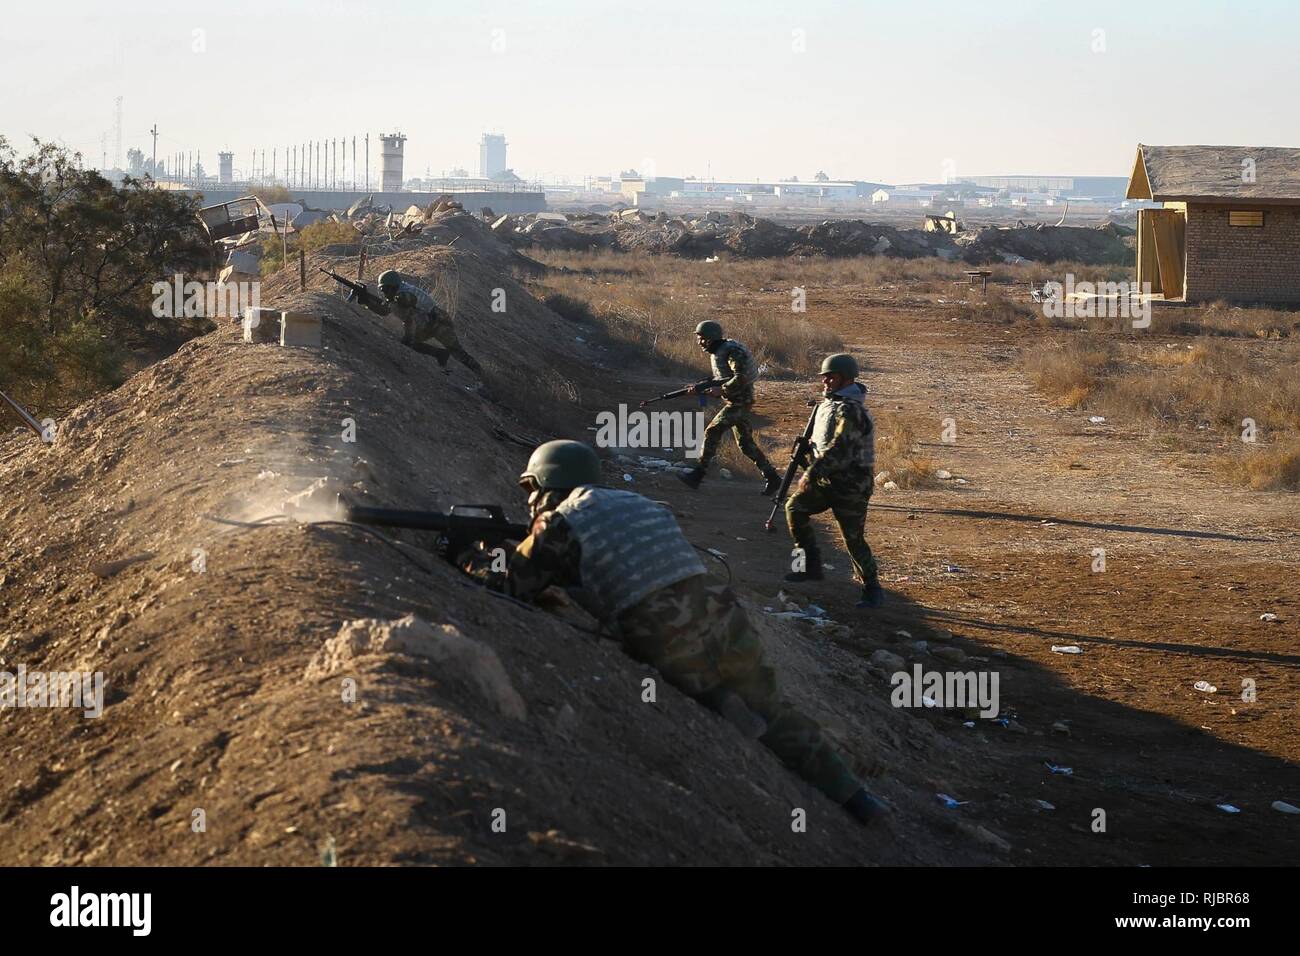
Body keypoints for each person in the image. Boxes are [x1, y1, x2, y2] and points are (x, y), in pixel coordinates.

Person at [465, 438, 889, 826]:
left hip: (660, 626)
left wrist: (471, 556)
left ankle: (724, 703)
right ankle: (857, 799)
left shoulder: (561, 521)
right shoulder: (640, 503)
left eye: (530, 490)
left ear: (545, 483)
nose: (530, 501)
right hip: (722, 610)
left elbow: (508, 586)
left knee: (701, 682)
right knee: (774, 707)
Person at [783, 353, 885, 610]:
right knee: (795, 508)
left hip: (852, 486)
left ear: (845, 378)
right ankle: (810, 565)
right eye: (824, 377)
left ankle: (872, 588)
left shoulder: (851, 410)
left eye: (831, 376)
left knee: (852, 538)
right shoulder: (828, 404)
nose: (825, 381)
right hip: (828, 479)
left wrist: (811, 473)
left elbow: (840, 449)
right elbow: (824, 444)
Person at [678, 321, 782, 494]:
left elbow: (741, 377)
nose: (700, 342)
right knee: (746, 444)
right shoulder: (719, 352)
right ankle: (772, 477)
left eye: (702, 338)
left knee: (713, 431)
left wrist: (721, 390)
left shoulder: (732, 351)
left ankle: (698, 473)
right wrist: (702, 386)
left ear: (711, 338)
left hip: (740, 402)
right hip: (736, 401)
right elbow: (722, 376)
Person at [368, 269, 484, 375]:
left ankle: (483, 377)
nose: (383, 293)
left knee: (459, 354)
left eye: (384, 289)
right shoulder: (400, 291)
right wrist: (367, 302)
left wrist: (389, 303)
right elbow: (385, 311)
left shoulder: (404, 293)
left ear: (392, 287)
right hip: (427, 325)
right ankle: (440, 354)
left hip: (439, 324)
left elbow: (404, 303)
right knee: (412, 344)